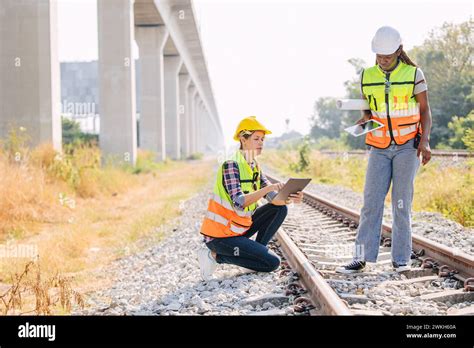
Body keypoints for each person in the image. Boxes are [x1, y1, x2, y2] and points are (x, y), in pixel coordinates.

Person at [336, 26, 432, 274]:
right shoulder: (367, 75)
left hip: (406, 148)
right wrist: (364, 120)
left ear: (399, 50)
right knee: (370, 203)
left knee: (401, 204)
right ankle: (360, 257)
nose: (383, 60)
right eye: (379, 56)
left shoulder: (414, 74)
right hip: (378, 147)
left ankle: (401, 259)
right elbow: (370, 109)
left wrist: (425, 141)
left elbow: (424, 111)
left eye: (387, 56)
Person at [197, 116, 304, 281]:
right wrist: (268, 188)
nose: (261, 143)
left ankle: (256, 257)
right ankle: (214, 256)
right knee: (272, 263)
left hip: (239, 229)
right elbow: (240, 202)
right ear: (243, 139)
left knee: (280, 209)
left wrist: (290, 198)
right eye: (256, 139)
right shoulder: (231, 164)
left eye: (262, 139)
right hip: (220, 236)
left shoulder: (254, 166)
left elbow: (274, 200)